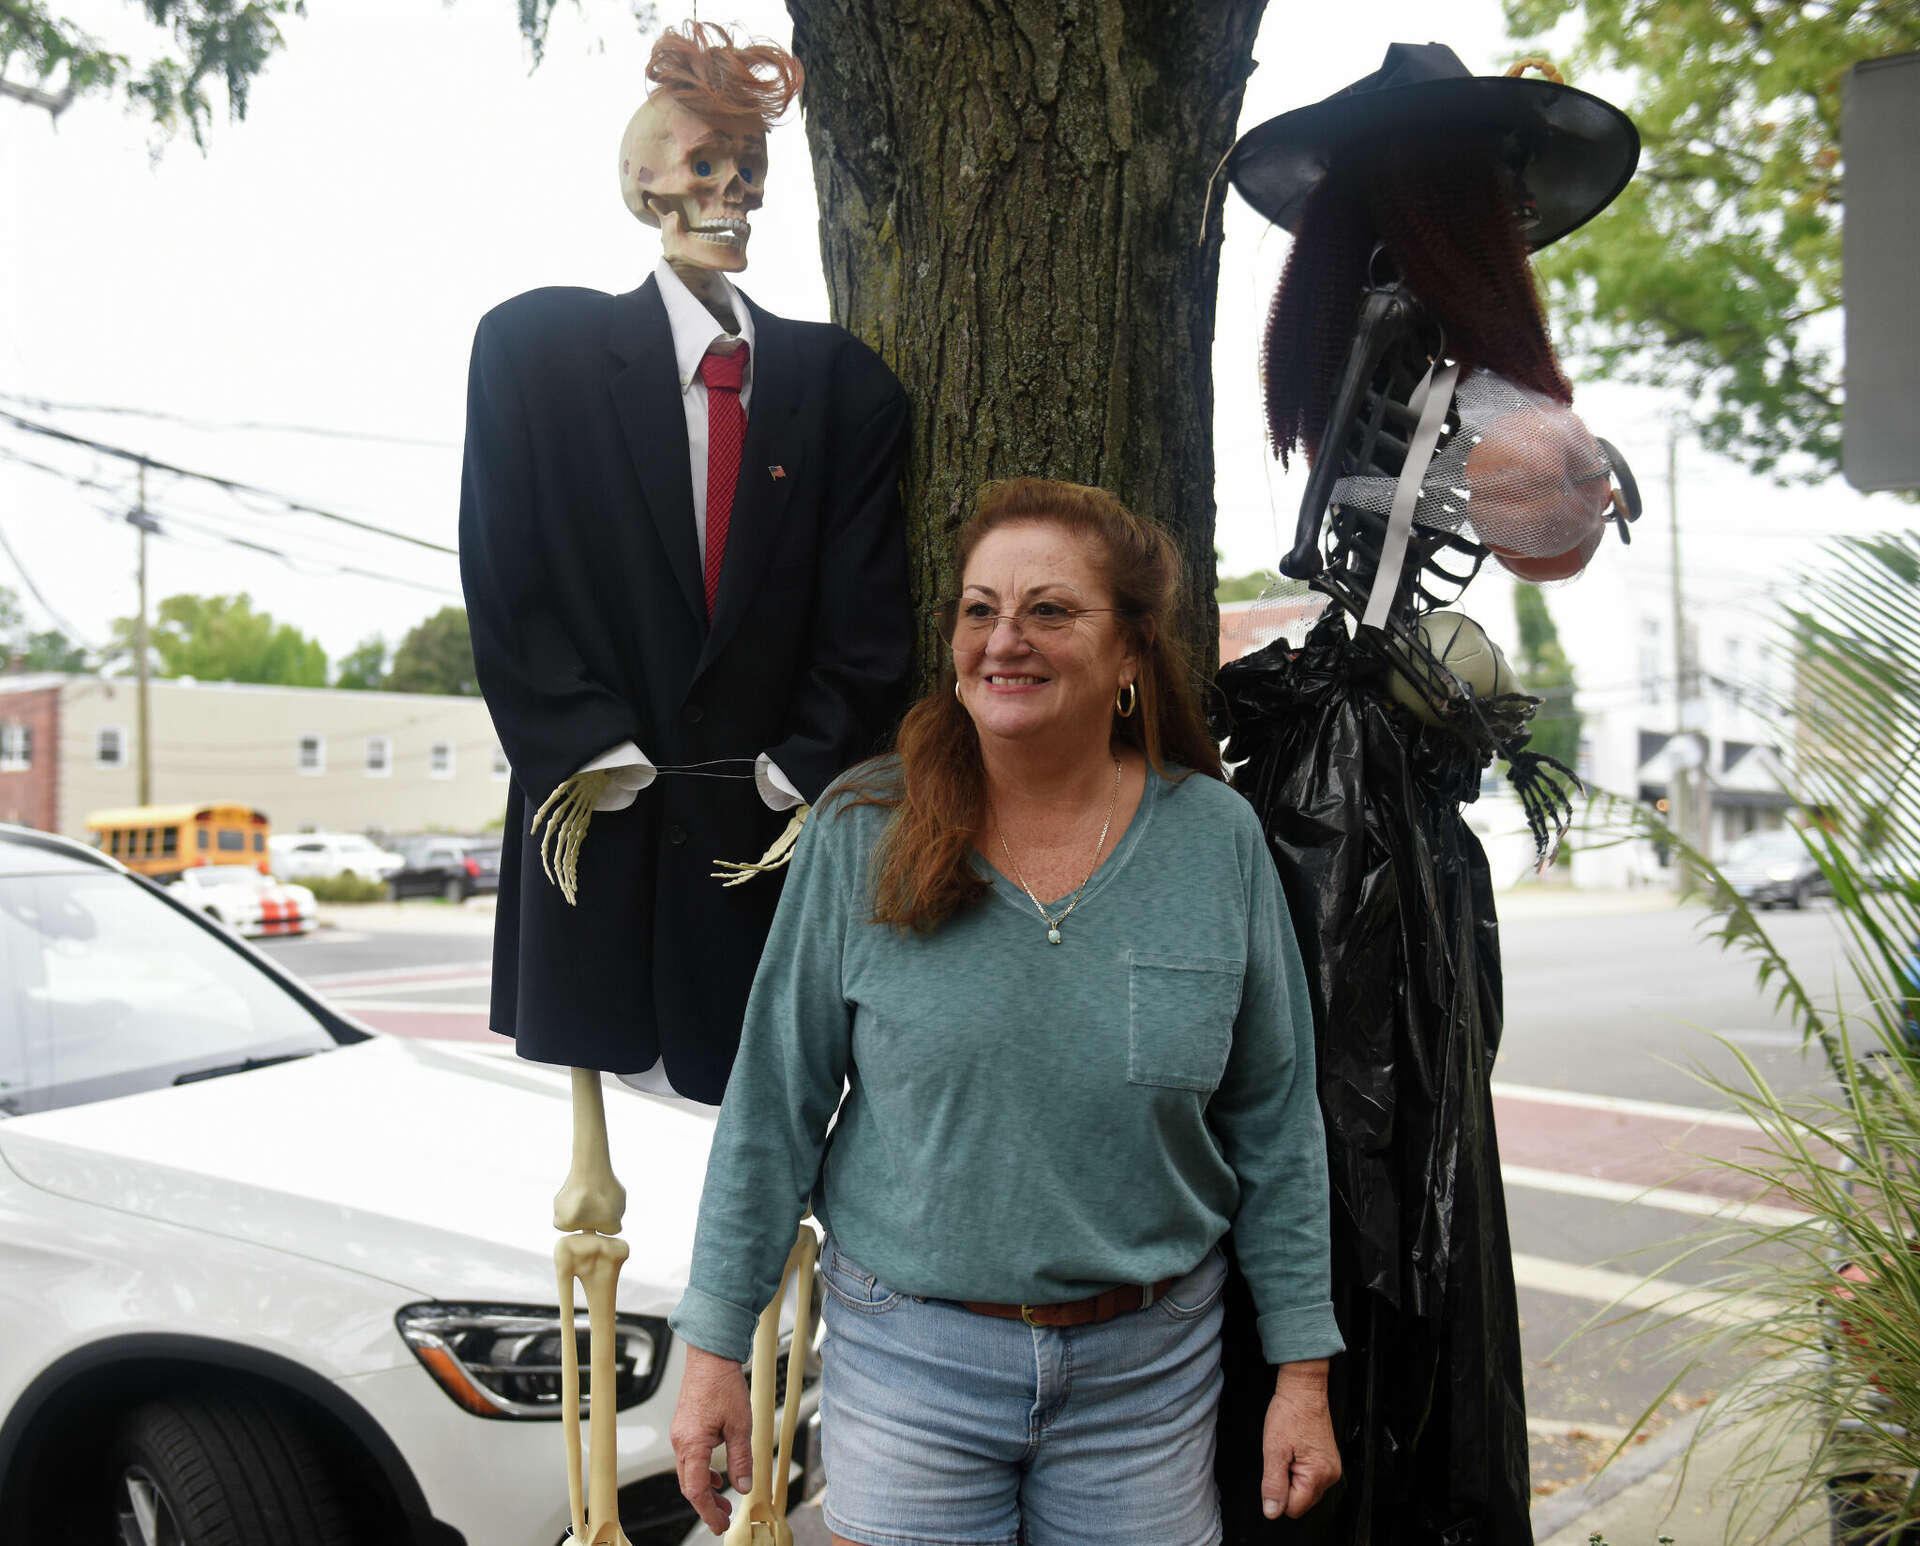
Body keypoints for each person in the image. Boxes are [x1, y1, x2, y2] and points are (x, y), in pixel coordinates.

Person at [666, 476, 1343, 1545]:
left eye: (1049, 610)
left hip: (1152, 1373)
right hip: (910, 1362)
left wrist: (1301, 1372)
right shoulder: (862, 826)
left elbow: (1276, 1120)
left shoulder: (1216, 840)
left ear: (1130, 652)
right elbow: (772, 1105)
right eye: (979, 609)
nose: (1004, 640)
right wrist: (713, 1348)